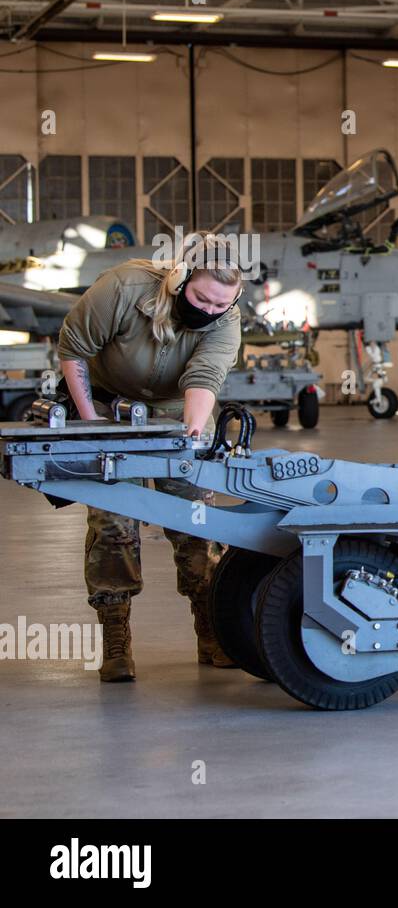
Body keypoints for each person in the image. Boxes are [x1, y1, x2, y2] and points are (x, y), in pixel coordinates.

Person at [57, 239, 243, 682]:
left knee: (195, 521)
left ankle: (210, 629)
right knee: (113, 524)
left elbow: (205, 378)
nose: (210, 310)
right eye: (201, 298)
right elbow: (74, 347)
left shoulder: (226, 320)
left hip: (175, 410)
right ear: (179, 281)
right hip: (105, 405)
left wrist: (191, 437)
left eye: (222, 304)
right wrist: (91, 427)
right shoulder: (123, 286)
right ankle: (116, 638)